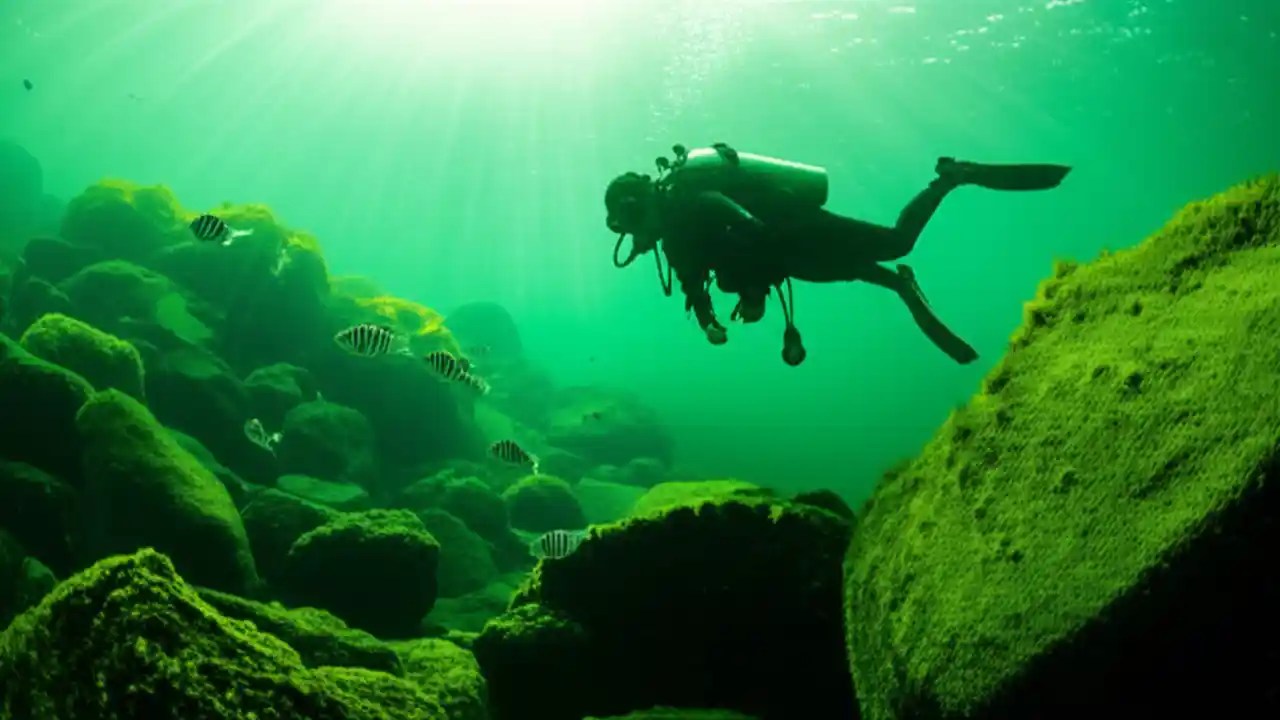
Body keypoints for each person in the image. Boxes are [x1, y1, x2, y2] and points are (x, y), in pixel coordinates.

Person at [603, 143, 1071, 366]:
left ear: (635, 208)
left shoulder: (691, 201)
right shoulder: (676, 237)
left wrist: (750, 290)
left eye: (631, 227)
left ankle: (951, 176)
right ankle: (898, 283)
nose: (638, 241)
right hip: (797, 258)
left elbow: (745, 227)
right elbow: (692, 282)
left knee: (896, 243)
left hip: (799, 232)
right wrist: (709, 323)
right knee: (863, 269)